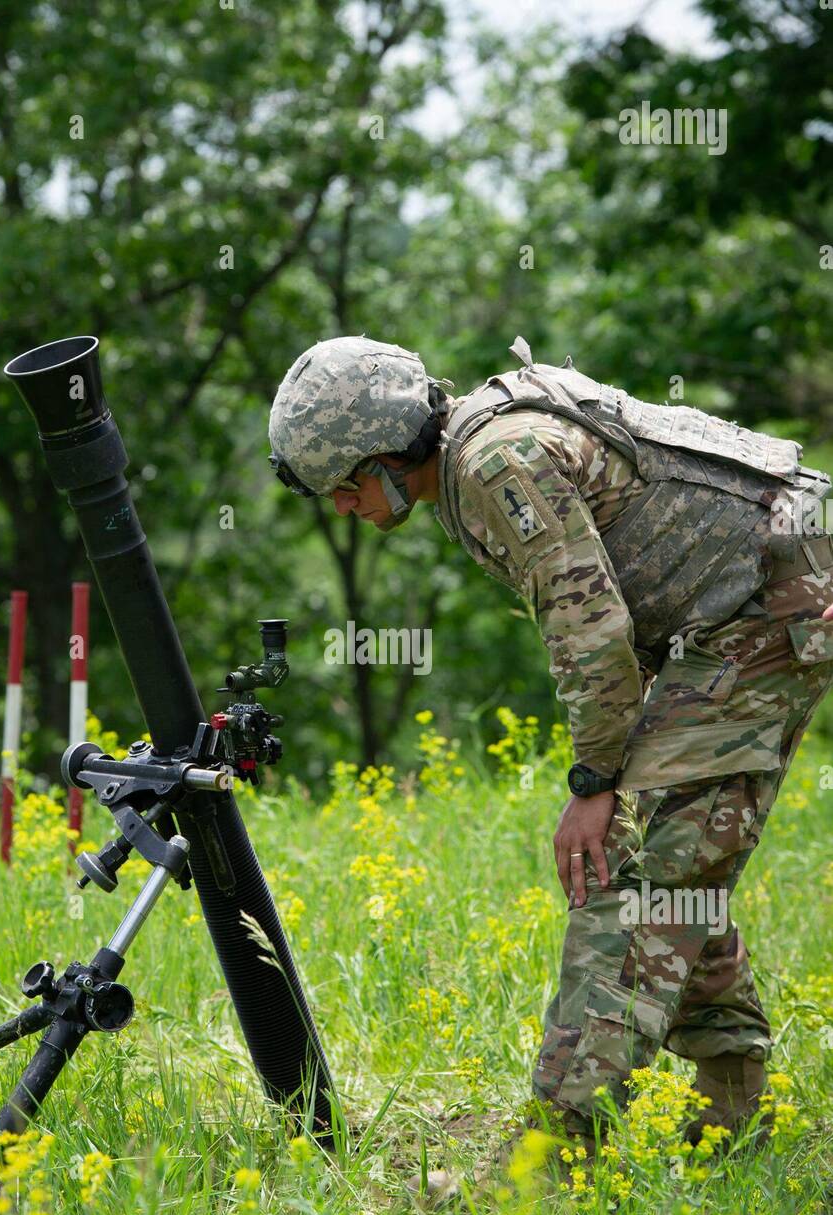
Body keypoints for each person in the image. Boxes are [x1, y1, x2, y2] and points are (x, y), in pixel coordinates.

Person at [268, 334, 833, 1147]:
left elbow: (590, 627)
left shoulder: (497, 463)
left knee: (647, 893)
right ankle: (735, 1114)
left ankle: (555, 1149)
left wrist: (594, 783)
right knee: (671, 873)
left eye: (344, 485)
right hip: (730, 617)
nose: (342, 507)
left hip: (769, 606)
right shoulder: (478, 448)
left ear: (388, 452)